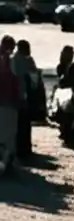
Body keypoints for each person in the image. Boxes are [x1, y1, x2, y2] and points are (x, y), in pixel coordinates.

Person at [12, 40, 39, 159]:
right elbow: (34, 78)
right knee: (24, 124)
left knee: (17, 123)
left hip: (15, 95)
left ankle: (18, 147)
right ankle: (24, 148)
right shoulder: (28, 60)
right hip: (24, 95)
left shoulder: (12, 60)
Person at [0, 36, 19, 173]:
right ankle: (6, 163)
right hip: (8, 102)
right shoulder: (8, 61)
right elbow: (14, 81)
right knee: (8, 135)